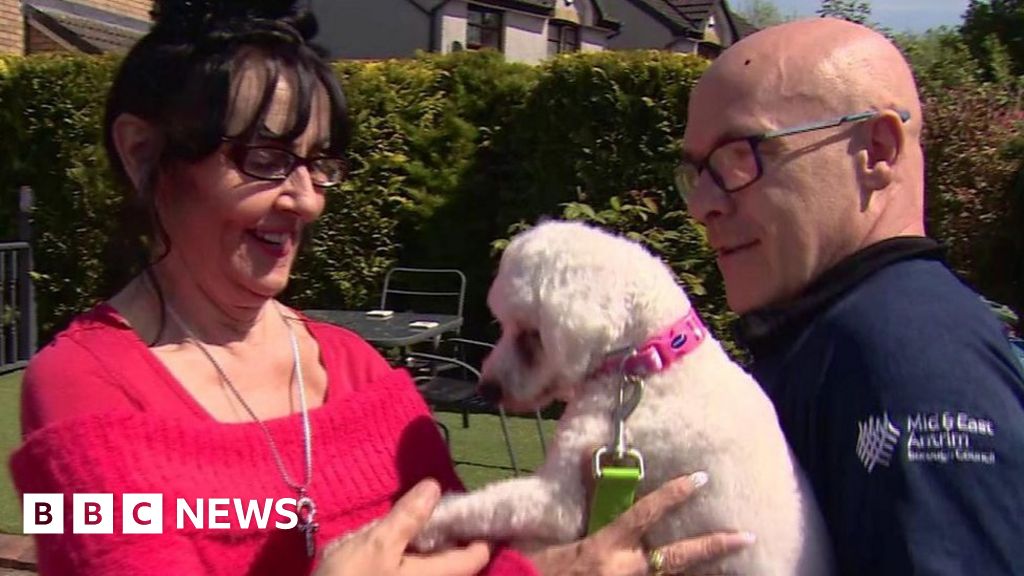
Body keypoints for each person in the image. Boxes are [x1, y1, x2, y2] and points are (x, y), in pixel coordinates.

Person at [10, 1, 752, 574]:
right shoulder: (76, 388)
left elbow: (481, 563)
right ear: (143, 153)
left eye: (319, 163)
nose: (306, 199)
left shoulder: (357, 371)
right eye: (265, 158)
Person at [678, 17, 1024, 576]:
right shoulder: (834, 339)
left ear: (877, 150)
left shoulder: (905, 357)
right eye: (696, 172)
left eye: (739, 157)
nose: (701, 205)